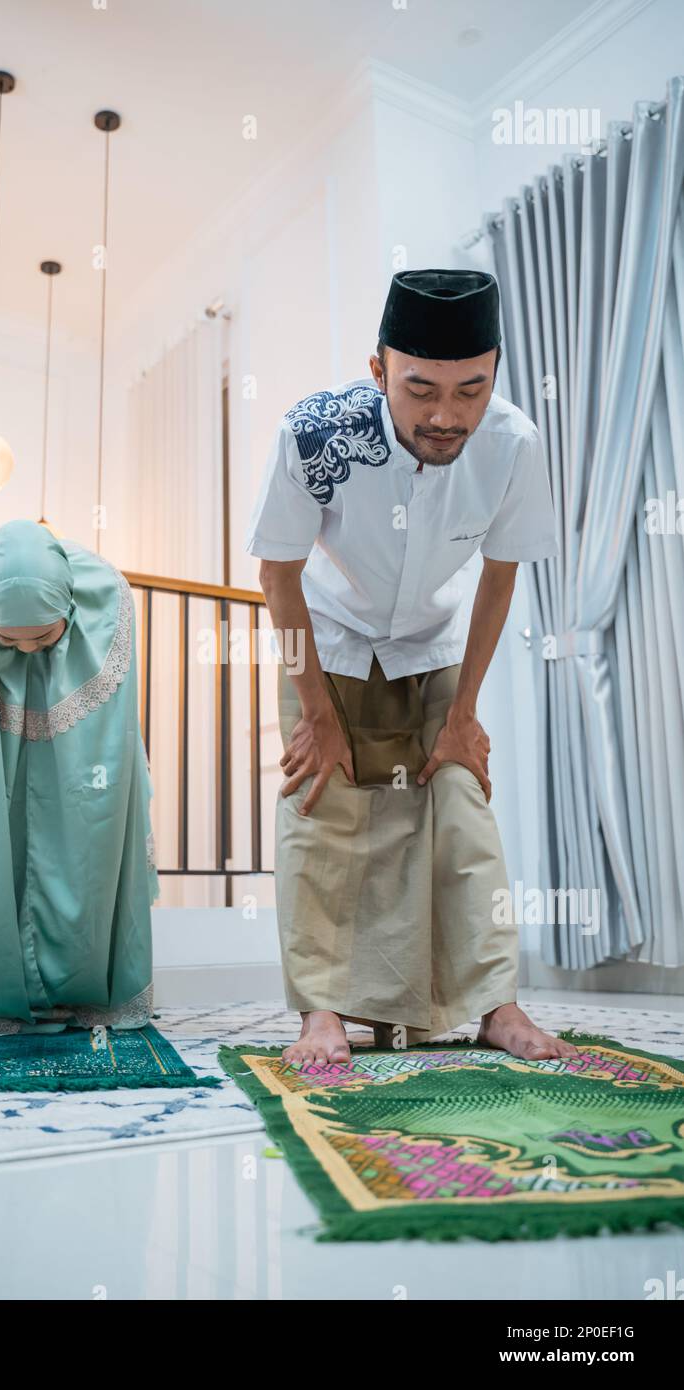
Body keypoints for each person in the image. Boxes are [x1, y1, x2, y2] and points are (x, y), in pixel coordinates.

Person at [245, 268, 580, 1068]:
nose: (444, 415)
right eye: (420, 388)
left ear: (494, 370)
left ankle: (496, 1006)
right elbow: (277, 575)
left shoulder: (512, 446)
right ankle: (320, 1016)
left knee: (463, 805)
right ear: (378, 370)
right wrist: (319, 715)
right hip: (326, 639)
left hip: (431, 644)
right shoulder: (314, 433)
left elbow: (501, 575)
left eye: (470, 390)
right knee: (320, 806)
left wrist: (463, 714)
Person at [0, 518, 158, 1037]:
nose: (30, 649)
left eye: (43, 635)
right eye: (8, 640)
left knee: (84, 829)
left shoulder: (109, 598)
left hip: (83, 757)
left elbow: (111, 728)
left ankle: (79, 988)